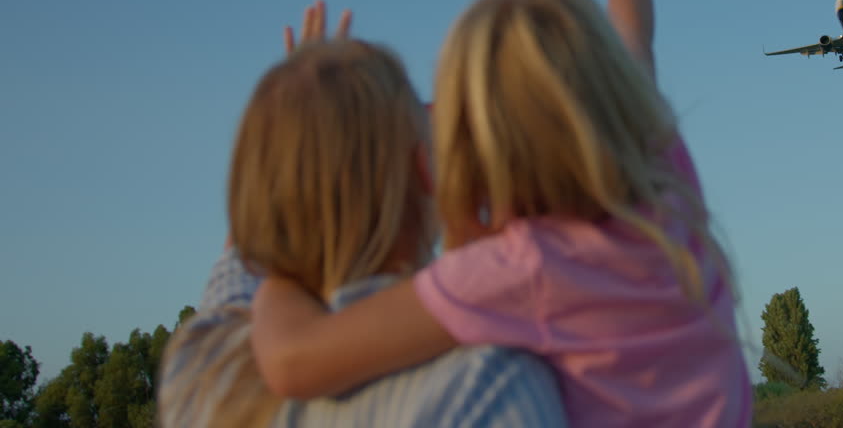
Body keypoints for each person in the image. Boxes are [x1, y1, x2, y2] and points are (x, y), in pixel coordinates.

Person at [250, 0, 753, 427]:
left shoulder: (522, 271)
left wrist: (279, 276)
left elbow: (295, 361)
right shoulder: (662, 167)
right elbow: (633, 31)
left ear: (474, 156)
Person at [157, 29, 567, 428]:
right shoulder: (488, 383)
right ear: (425, 173)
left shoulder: (201, 369)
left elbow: (238, 269)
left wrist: (292, 138)